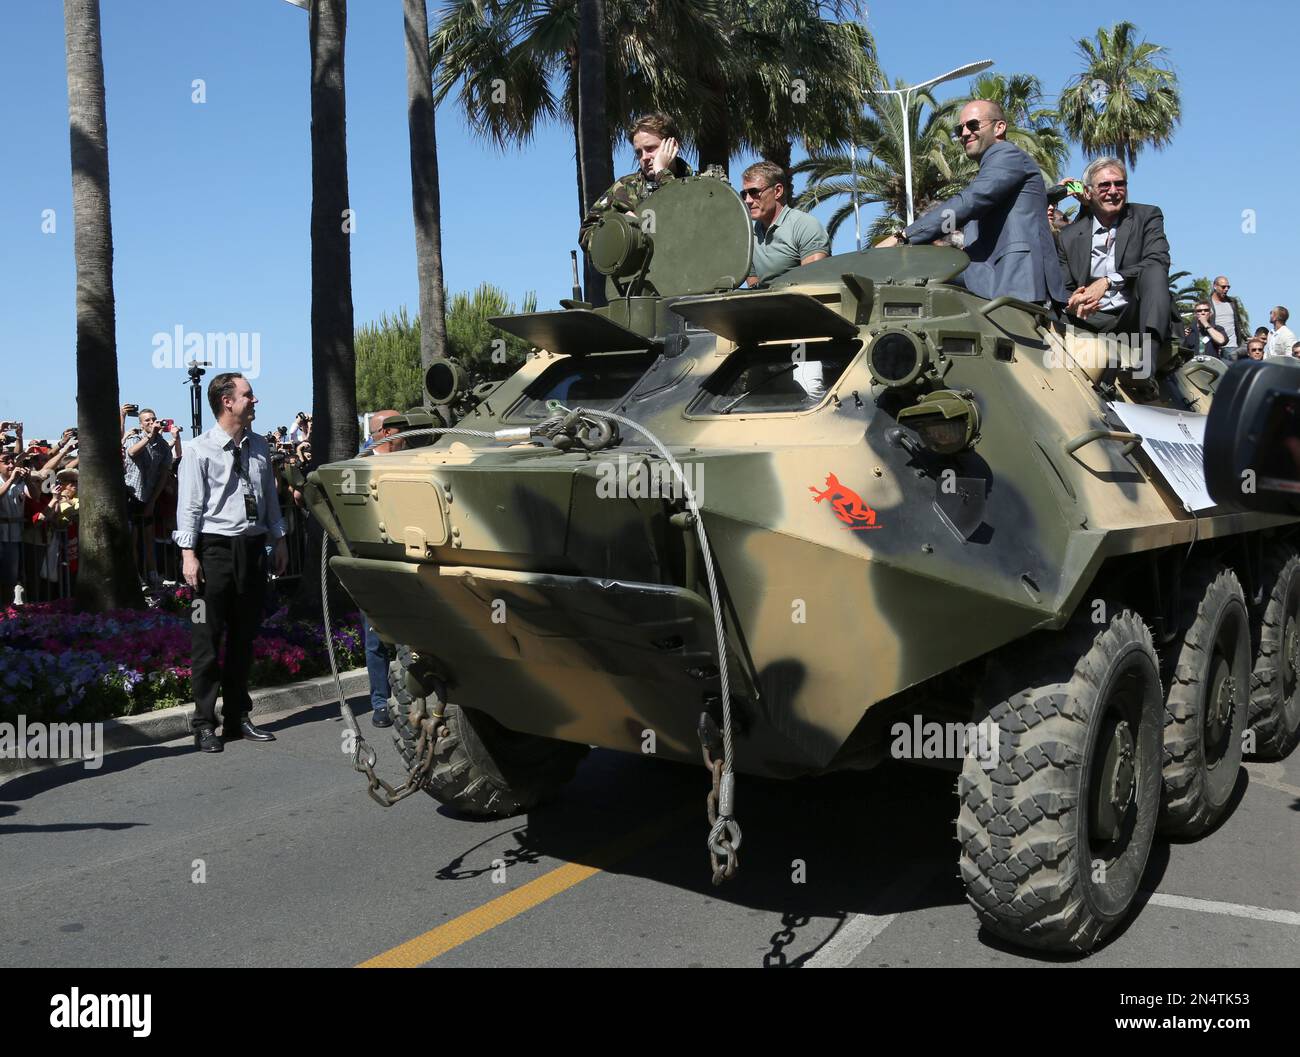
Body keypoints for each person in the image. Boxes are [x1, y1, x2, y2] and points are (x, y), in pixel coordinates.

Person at [175, 372, 288, 753]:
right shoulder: (197, 449)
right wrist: (188, 554)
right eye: (248, 395)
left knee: (244, 638)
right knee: (205, 639)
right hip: (213, 552)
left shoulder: (259, 445)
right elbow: (189, 504)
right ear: (227, 401)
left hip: (252, 550)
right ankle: (204, 723)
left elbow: (269, 495)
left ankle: (238, 717)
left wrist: (280, 537)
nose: (255, 401)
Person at [877, 100, 1066, 305]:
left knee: (910, 268)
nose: (965, 133)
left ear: (999, 127)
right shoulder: (996, 167)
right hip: (994, 277)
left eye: (973, 125)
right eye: (960, 128)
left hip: (1015, 279)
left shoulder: (1006, 154)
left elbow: (968, 202)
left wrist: (903, 237)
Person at [1056, 157, 1173, 350]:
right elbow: (1064, 287)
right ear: (1087, 192)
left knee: (1154, 271)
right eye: (1104, 185)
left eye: (1119, 184)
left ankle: (1146, 366)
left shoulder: (1147, 216)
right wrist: (1073, 301)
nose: (1113, 191)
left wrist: (1107, 281)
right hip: (1090, 319)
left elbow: (1158, 260)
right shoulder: (1068, 236)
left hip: (1135, 316)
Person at [579, 112, 693, 250]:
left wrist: (662, 173)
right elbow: (587, 233)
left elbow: (686, 214)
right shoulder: (625, 189)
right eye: (638, 152)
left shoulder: (699, 184)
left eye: (650, 148)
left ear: (672, 145)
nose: (644, 157)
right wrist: (624, 231)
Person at [360, 409, 405, 728]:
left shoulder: (415, 458)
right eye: (402, 427)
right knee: (375, 639)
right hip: (372, 566)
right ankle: (380, 702)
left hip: (409, 562)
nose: (408, 431)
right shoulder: (359, 465)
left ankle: (411, 698)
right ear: (386, 432)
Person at [739, 161, 830, 285]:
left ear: (777, 191)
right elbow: (753, 289)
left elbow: (813, 284)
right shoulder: (750, 237)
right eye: (744, 194)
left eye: (754, 192)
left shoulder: (805, 226)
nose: (748, 200)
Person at [122, 407, 175, 590]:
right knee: (133, 539)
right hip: (131, 494)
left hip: (149, 496)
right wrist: (148, 436)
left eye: (153, 419)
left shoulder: (162, 445)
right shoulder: (134, 438)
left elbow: (163, 474)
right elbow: (132, 452)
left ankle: (152, 574)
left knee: (149, 537)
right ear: (141, 423)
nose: (151, 422)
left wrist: (153, 501)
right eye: (147, 420)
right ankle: (136, 576)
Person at [0, 450, 29, 607]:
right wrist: (11, 479)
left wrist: (29, 479)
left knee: (10, 578)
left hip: (14, 536)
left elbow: (36, 496)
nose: (11, 465)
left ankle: (5, 612)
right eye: (6, 461)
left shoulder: (19, 482)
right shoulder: (11, 480)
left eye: (13, 461)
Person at [1209, 276, 1242, 358]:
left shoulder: (1232, 302)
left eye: (1228, 287)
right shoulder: (1207, 303)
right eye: (1223, 287)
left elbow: (1238, 322)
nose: (1226, 289)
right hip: (1214, 346)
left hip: (1232, 346)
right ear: (1215, 286)